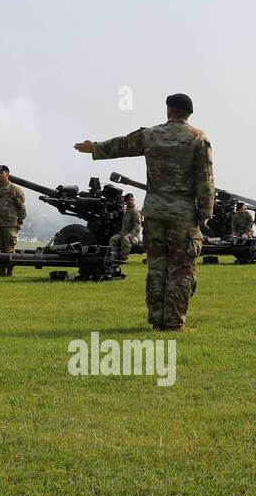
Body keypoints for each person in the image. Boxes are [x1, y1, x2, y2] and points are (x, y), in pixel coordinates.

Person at [74, 92, 213, 331]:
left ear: (168, 110)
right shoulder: (198, 138)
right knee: (181, 269)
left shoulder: (151, 135)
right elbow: (206, 179)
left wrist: (94, 148)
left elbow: (122, 145)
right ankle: (174, 322)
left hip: (155, 214)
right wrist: (204, 213)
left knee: (157, 268)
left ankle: (157, 319)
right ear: (189, 114)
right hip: (183, 215)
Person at [0, 164, 27, 275]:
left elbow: (22, 207)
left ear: (7, 174)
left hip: (10, 224)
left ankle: (9, 272)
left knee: (9, 249)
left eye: (1, 173)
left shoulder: (15, 189)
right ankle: (1, 271)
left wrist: (20, 222)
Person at [108, 192, 143, 261]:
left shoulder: (135, 211)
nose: (130, 201)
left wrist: (130, 235)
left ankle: (122, 259)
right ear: (126, 202)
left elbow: (137, 226)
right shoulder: (127, 211)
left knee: (125, 240)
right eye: (129, 200)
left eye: (132, 200)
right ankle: (114, 257)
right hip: (123, 233)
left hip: (134, 236)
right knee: (113, 239)